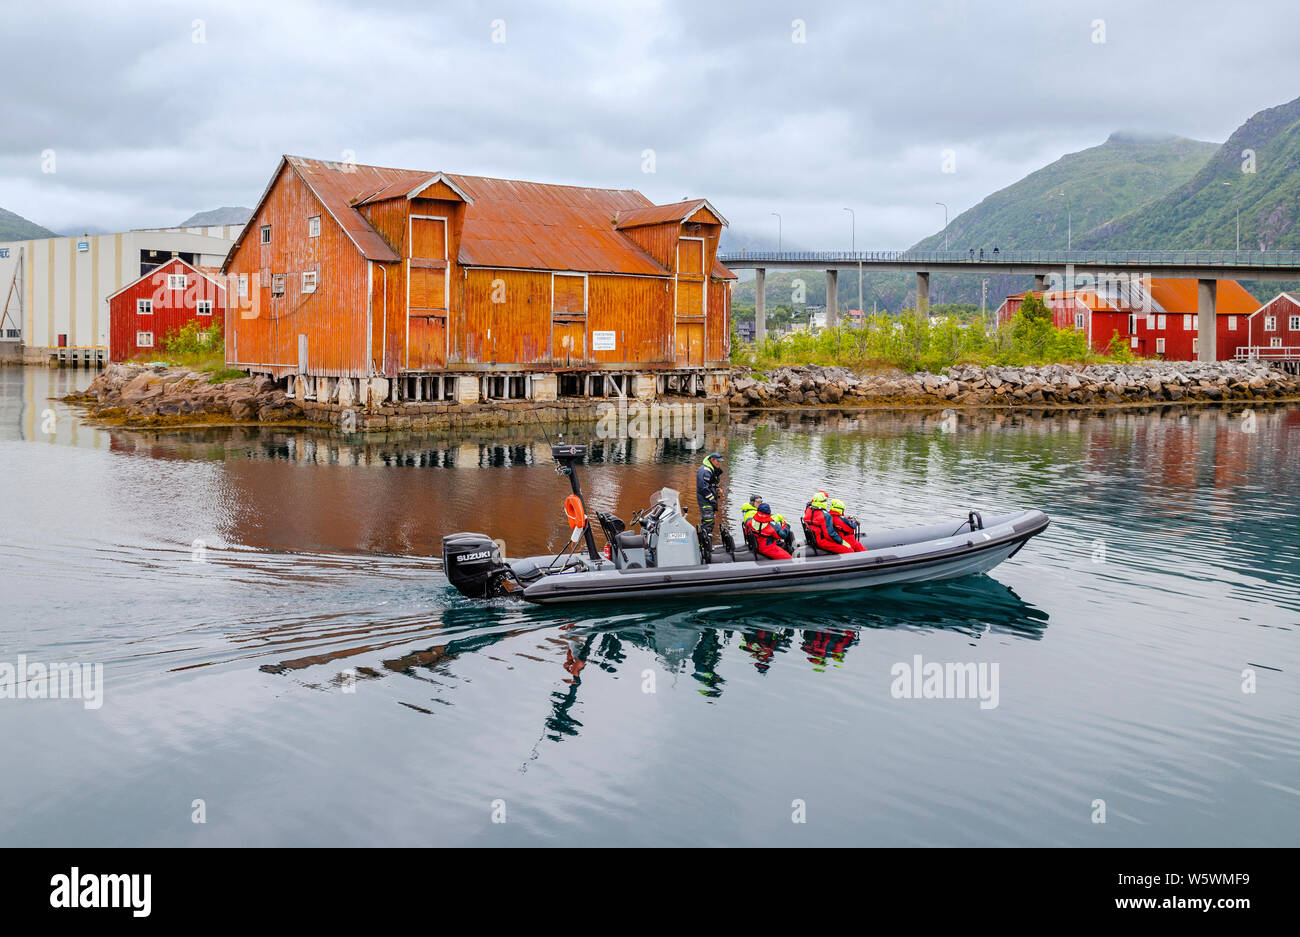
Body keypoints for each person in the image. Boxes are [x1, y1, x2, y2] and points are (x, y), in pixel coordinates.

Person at [696, 452, 724, 542]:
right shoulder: (705, 470)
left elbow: (711, 485)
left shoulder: (712, 469)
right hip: (705, 500)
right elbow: (703, 488)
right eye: (717, 461)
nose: (719, 463)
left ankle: (707, 542)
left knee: (709, 522)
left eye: (720, 461)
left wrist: (717, 489)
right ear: (711, 460)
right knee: (708, 521)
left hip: (709, 499)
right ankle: (704, 544)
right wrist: (712, 499)